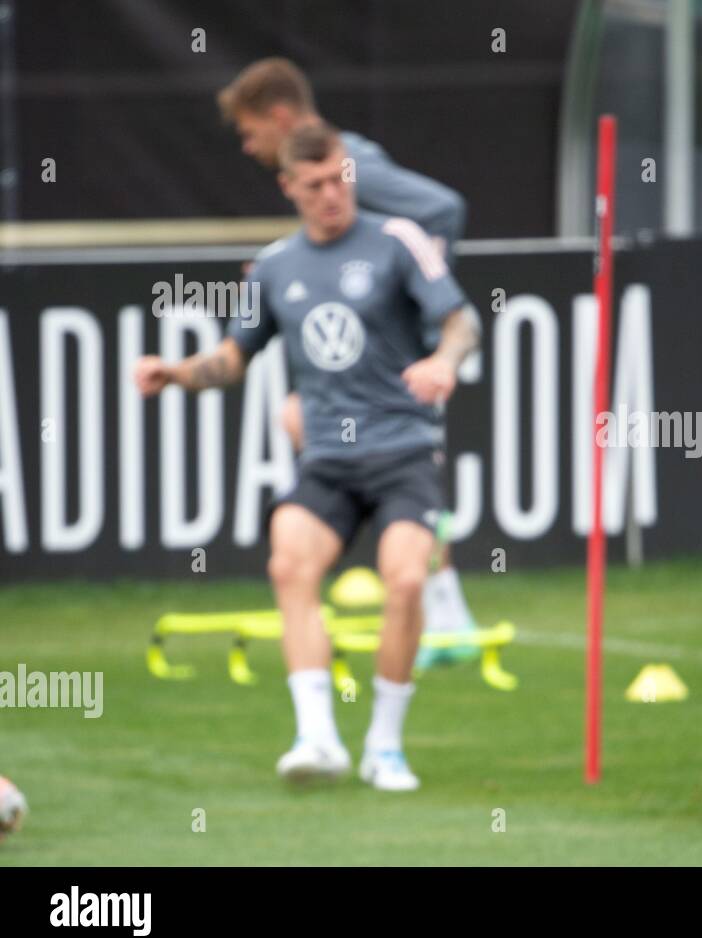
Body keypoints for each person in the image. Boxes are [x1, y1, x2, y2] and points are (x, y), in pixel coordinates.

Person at [135, 123, 480, 791]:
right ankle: (317, 737)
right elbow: (233, 358)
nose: (333, 194)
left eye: (340, 178)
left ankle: (384, 744)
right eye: (316, 184)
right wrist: (174, 374)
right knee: (288, 559)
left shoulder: (398, 240)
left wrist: (444, 359)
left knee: (406, 579)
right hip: (328, 457)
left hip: (404, 448)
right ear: (289, 186)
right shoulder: (273, 267)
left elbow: (461, 320)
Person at [217, 58, 477, 668]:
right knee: (314, 427)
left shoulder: (350, 162)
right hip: (371, 355)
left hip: (395, 351)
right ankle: (436, 603)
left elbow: (441, 210)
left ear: (280, 117)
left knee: (337, 436)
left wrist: (413, 295)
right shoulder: (321, 170)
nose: (249, 147)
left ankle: (440, 606)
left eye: (251, 132)